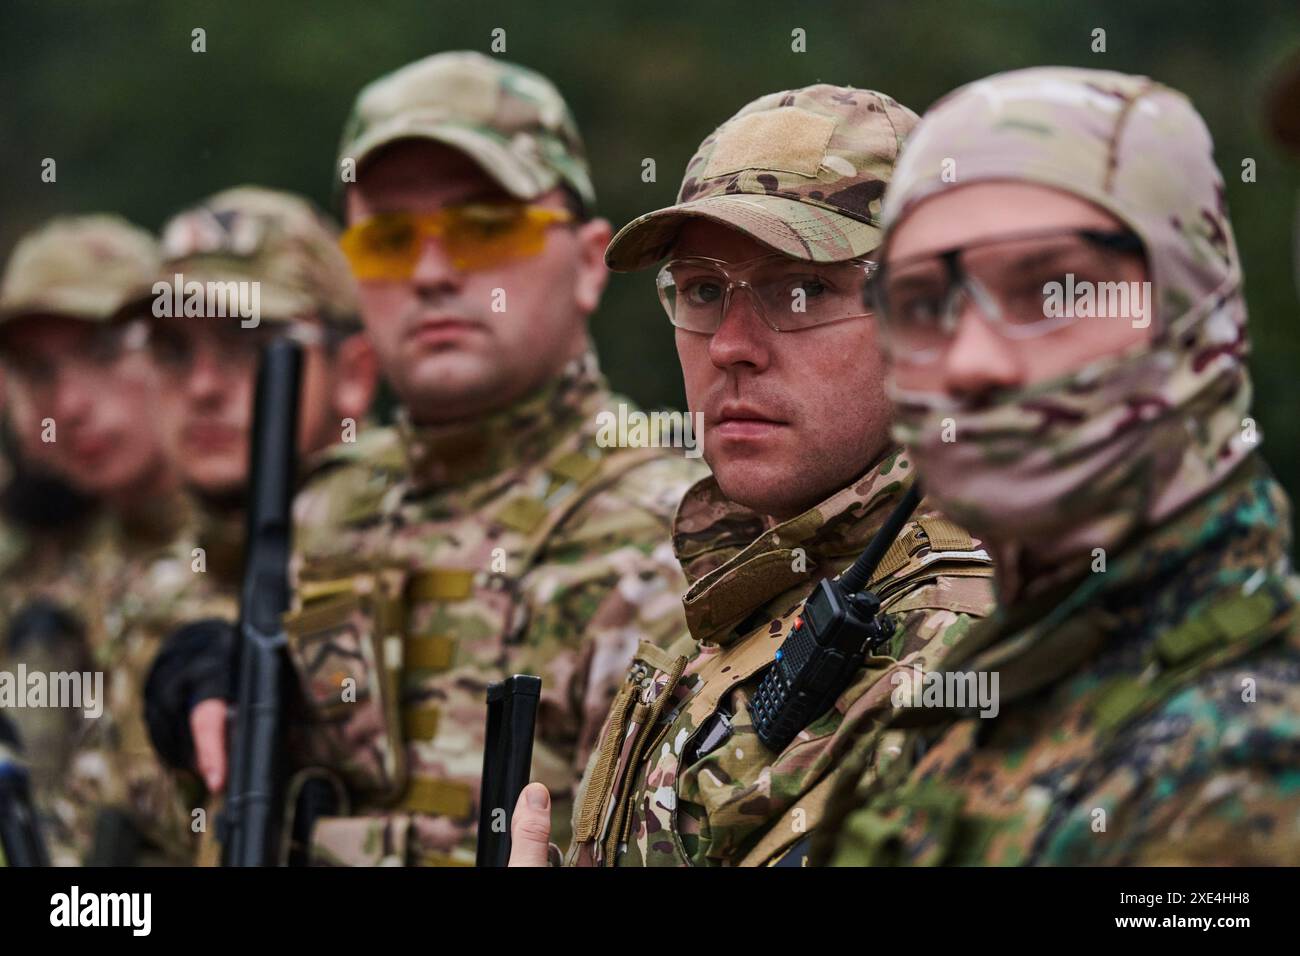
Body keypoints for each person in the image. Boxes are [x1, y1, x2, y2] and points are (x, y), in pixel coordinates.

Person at [156, 51, 706, 866]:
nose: (434, 273)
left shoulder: (684, 531)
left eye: (487, 229)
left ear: (591, 262)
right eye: (387, 239)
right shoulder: (313, 511)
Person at [817, 66, 1300, 866]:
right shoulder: (1000, 694)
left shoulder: (1243, 770)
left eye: (1053, 289)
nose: (972, 362)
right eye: (924, 303)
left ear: (1199, 311)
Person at [508, 84, 995, 867]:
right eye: (702, 291)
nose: (732, 344)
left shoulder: (958, 647)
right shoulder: (731, 606)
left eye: (801, 290)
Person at [92, 186, 380, 865]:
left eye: (247, 344)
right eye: (171, 349)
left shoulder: (417, 560)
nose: (203, 385)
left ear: (355, 376)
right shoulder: (142, 591)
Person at [0, 214, 184, 864]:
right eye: (38, 372)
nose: (70, 405)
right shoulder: (34, 568)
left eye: (104, 353)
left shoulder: (274, 541)